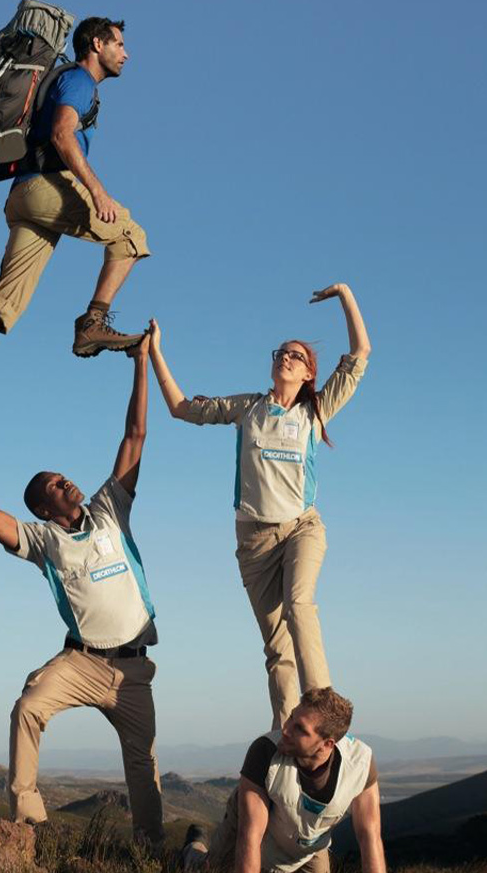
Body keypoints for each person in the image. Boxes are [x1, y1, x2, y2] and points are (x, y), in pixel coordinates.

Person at [0, 330, 163, 845]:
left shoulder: (109, 510)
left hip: (134, 669)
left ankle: (151, 851)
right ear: (42, 507)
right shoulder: (40, 540)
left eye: (64, 477)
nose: (67, 482)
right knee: (28, 706)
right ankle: (30, 826)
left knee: (143, 762)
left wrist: (139, 362)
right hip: (80, 662)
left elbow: (135, 436)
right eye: (55, 485)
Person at [146, 283, 373, 728]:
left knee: (299, 603)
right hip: (253, 540)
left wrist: (345, 294)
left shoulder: (315, 411)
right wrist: (155, 351)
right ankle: (287, 731)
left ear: (309, 373)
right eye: (280, 353)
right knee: (276, 646)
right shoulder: (247, 408)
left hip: (301, 528)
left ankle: (321, 704)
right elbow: (179, 407)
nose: (284, 357)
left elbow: (360, 352)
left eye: (295, 356)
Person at [0, 17, 152, 428]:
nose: (126, 54)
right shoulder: (79, 80)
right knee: (130, 235)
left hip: (23, 197)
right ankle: (92, 323)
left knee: (8, 300)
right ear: (96, 44)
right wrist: (96, 191)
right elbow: (62, 135)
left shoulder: (68, 80)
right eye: (120, 45)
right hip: (48, 187)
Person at [203, 687, 399, 873]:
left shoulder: (360, 764)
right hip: (261, 835)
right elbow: (250, 834)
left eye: (300, 729)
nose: (286, 729)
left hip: (309, 845)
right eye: (292, 718)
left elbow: (369, 836)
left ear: (327, 744)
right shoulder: (264, 752)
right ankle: (194, 848)